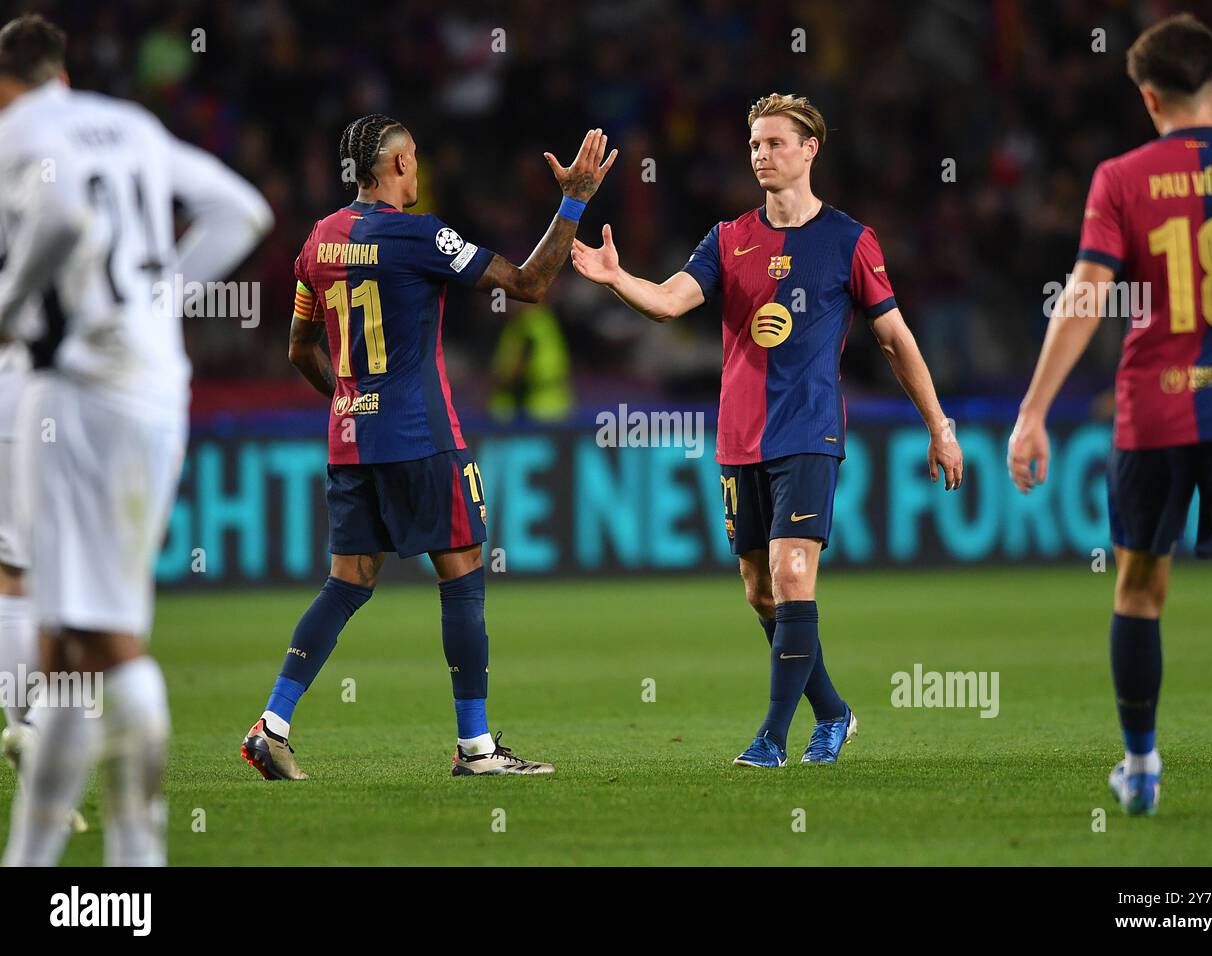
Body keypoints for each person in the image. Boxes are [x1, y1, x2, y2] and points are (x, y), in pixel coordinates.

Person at [571, 93, 962, 767]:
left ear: (811, 149)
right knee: (759, 588)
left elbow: (894, 337)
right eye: (754, 145)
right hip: (739, 437)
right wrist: (615, 278)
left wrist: (940, 426)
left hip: (808, 433)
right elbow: (667, 302)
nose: (762, 155)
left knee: (791, 574)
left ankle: (772, 740)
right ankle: (835, 713)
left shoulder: (849, 240)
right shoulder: (728, 239)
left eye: (776, 143)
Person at [241, 117, 615, 778]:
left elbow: (299, 347)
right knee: (464, 569)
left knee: (347, 581)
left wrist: (347, 398)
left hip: (351, 439)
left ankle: (272, 723)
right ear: (397, 166)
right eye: (413, 159)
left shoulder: (318, 242)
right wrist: (575, 200)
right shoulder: (421, 235)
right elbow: (528, 284)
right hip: (421, 436)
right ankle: (475, 748)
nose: (419, 170)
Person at [1008, 13, 1212, 821]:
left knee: (1138, 590)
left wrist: (1033, 410)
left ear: (1147, 97)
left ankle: (1140, 769)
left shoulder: (1121, 178)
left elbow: (1087, 297)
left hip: (1154, 412)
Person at [0, 13, 273, 865]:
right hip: (160, 392)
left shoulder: (20, 134)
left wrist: (10, 316)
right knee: (74, 642)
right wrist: (156, 306)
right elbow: (242, 212)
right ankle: (56, 862)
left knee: (91, 640)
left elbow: (61, 225)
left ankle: (134, 858)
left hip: (78, 391)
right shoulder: (132, 125)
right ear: (62, 68)